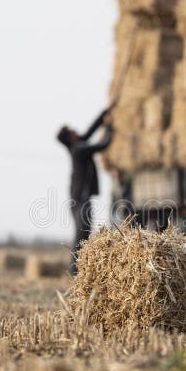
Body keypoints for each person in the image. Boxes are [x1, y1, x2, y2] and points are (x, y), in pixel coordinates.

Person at [57, 105, 115, 273]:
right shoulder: (79, 150)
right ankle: (74, 272)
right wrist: (110, 127)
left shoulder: (78, 145)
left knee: (84, 234)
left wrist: (106, 112)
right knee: (81, 235)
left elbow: (90, 131)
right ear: (70, 138)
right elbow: (102, 145)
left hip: (81, 199)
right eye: (72, 132)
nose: (76, 131)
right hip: (80, 201)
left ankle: (77, 270)